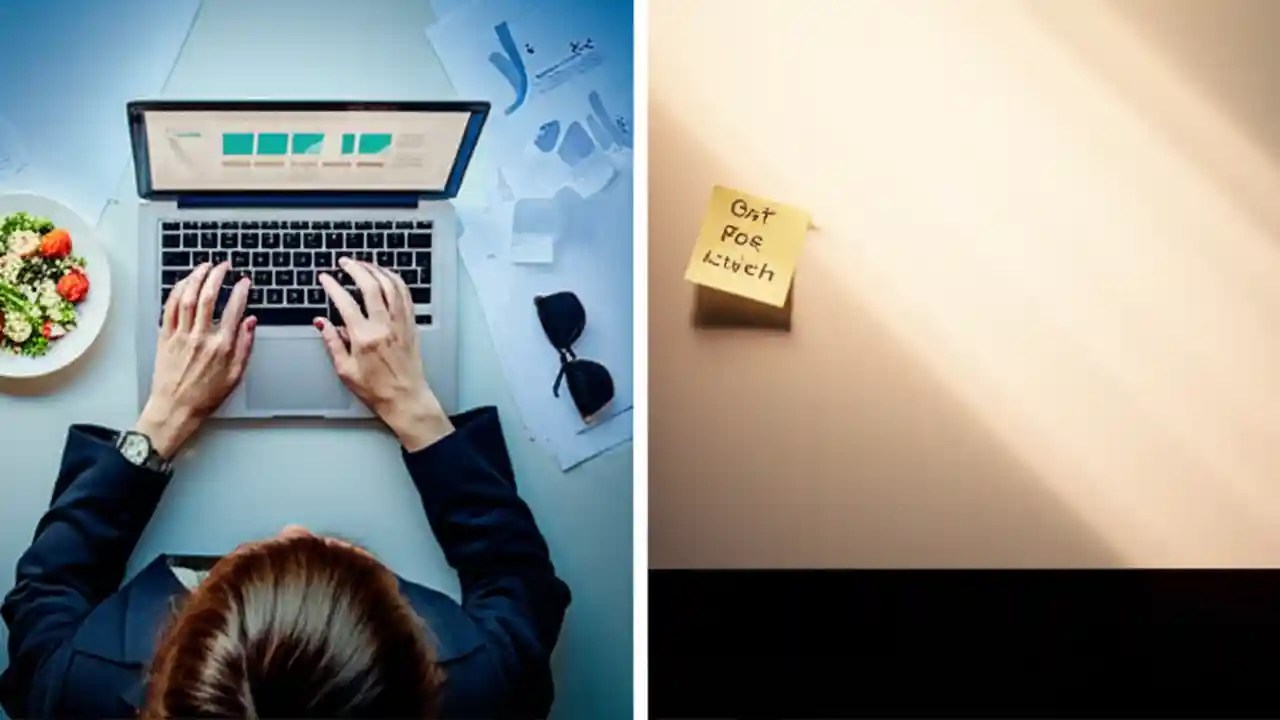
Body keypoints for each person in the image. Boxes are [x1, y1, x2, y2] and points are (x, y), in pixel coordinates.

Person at [0, 259, 570, 718]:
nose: (295, 530)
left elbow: (47, 588)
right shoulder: (487, 691)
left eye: (248, 567)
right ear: (423, 668)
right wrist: (414, 408)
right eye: (332, 561)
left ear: (170, 645)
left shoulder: (73, 690)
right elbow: (516, 577)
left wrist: (163, 419)